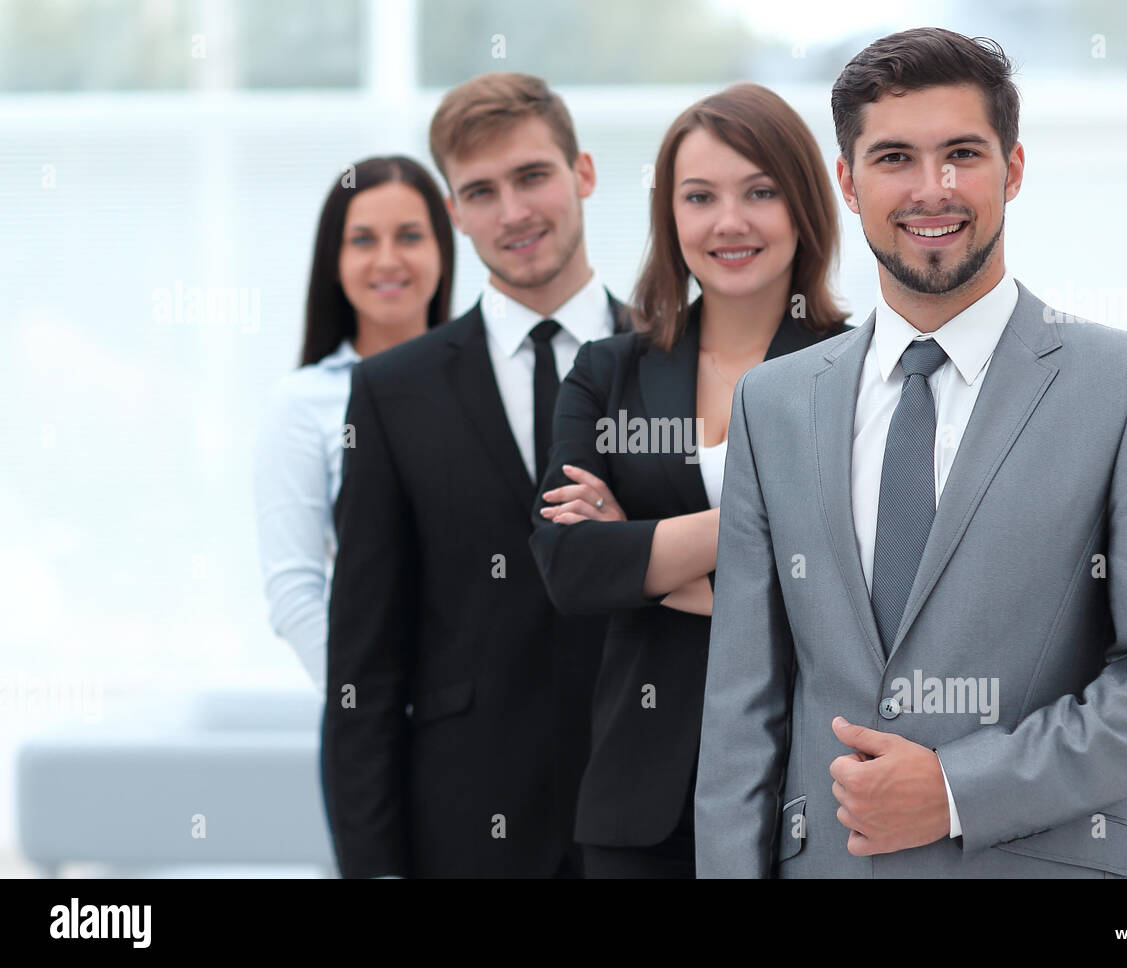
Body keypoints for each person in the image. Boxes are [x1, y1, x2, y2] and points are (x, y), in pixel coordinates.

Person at [694, 27, 1127, 877]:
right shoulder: (773, 403)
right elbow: (742, 711)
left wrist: (956, 789)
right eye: (894, 159)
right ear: (847, 182)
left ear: (1012, 169)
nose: (931, 189)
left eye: (961, 153)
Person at [529, 83, 850, 878]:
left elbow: (862, 579)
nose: (729, 222)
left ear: (804, 206)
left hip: (811, 792)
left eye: (761, 192)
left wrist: (642, 559)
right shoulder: (608, 372)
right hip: (642, 804)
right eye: (699, 196)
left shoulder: (862, 370)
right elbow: (571, 568)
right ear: (670, 217)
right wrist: (767, 535)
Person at [321, 73, 631, 878]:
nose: (514, 212)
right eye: (481, 192)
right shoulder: (392, 394)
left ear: (583, 173)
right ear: (454, 214)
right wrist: (371, 864)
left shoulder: (679, 360)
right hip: (465, 827)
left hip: (658, 817)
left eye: (532, 176)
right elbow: (365, 657)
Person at [254, 156, 454, 693]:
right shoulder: (302, 402)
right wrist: (364, 706)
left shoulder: (492, 376)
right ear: (334, 260)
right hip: (378, 709)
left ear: (443, 249)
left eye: (410, 236)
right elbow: (295, 591)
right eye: (363, 240)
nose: (387, 260)